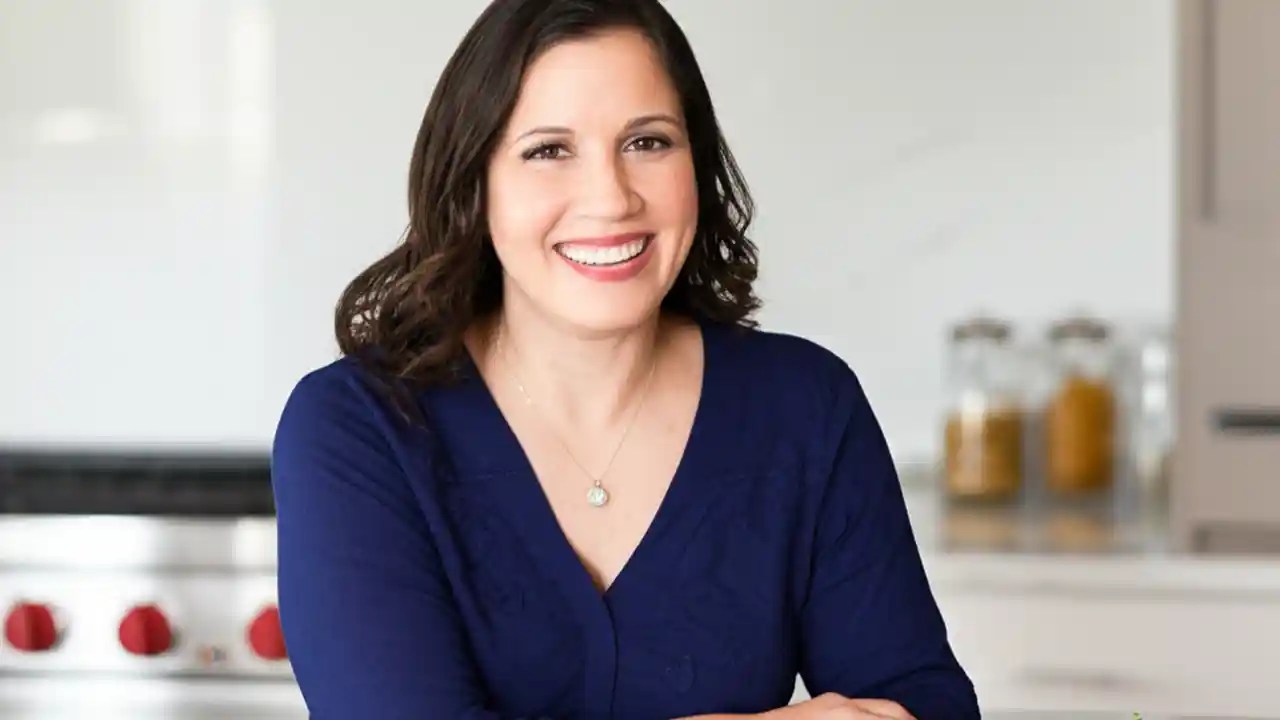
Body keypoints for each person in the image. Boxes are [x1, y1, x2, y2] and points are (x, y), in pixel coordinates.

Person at [270, 0, 980, 718]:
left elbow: (925, 704)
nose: (610, 198)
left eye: (647, 142)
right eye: (549, 150)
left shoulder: (806, 406)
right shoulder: (360, 426)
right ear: (474, 183)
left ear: (696, 165)